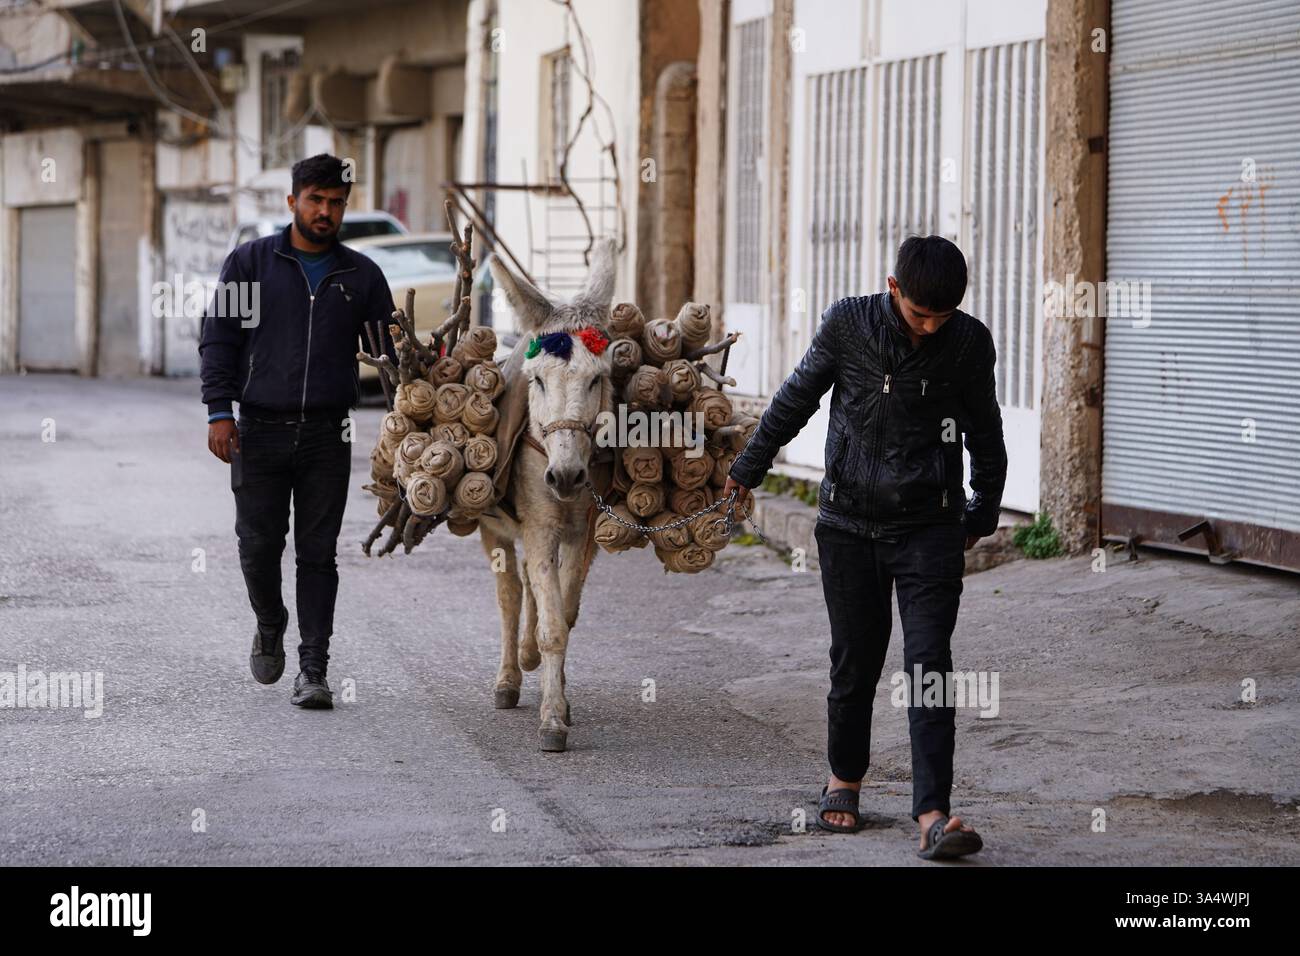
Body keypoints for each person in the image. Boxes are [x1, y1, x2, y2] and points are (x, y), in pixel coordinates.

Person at [722, 235, 1007, 859]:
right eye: (919, 314)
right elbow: (797, 397)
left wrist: (981, 511)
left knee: (930, 666)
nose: (930, 327)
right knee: (855, 661)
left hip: (930, 526)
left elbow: (985, 429)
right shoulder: (848, 324)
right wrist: (747, 470)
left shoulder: (968, 342)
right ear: (893, 287)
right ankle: (843, 780)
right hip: (848, 524)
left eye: (943, 316)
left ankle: (934, 815)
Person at [199, 153, 396, 709]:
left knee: (317, 554)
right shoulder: (250, 264)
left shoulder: (362, 276)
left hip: (327, 437)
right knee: (258, 547)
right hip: (257, 430)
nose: (325, 211)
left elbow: (390, 355)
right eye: (315, 200)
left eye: (335, 203)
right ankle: (270, 620)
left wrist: (435, 375)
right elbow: (218, 339)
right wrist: (219, 411)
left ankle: (313, 668)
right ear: (293, 202)